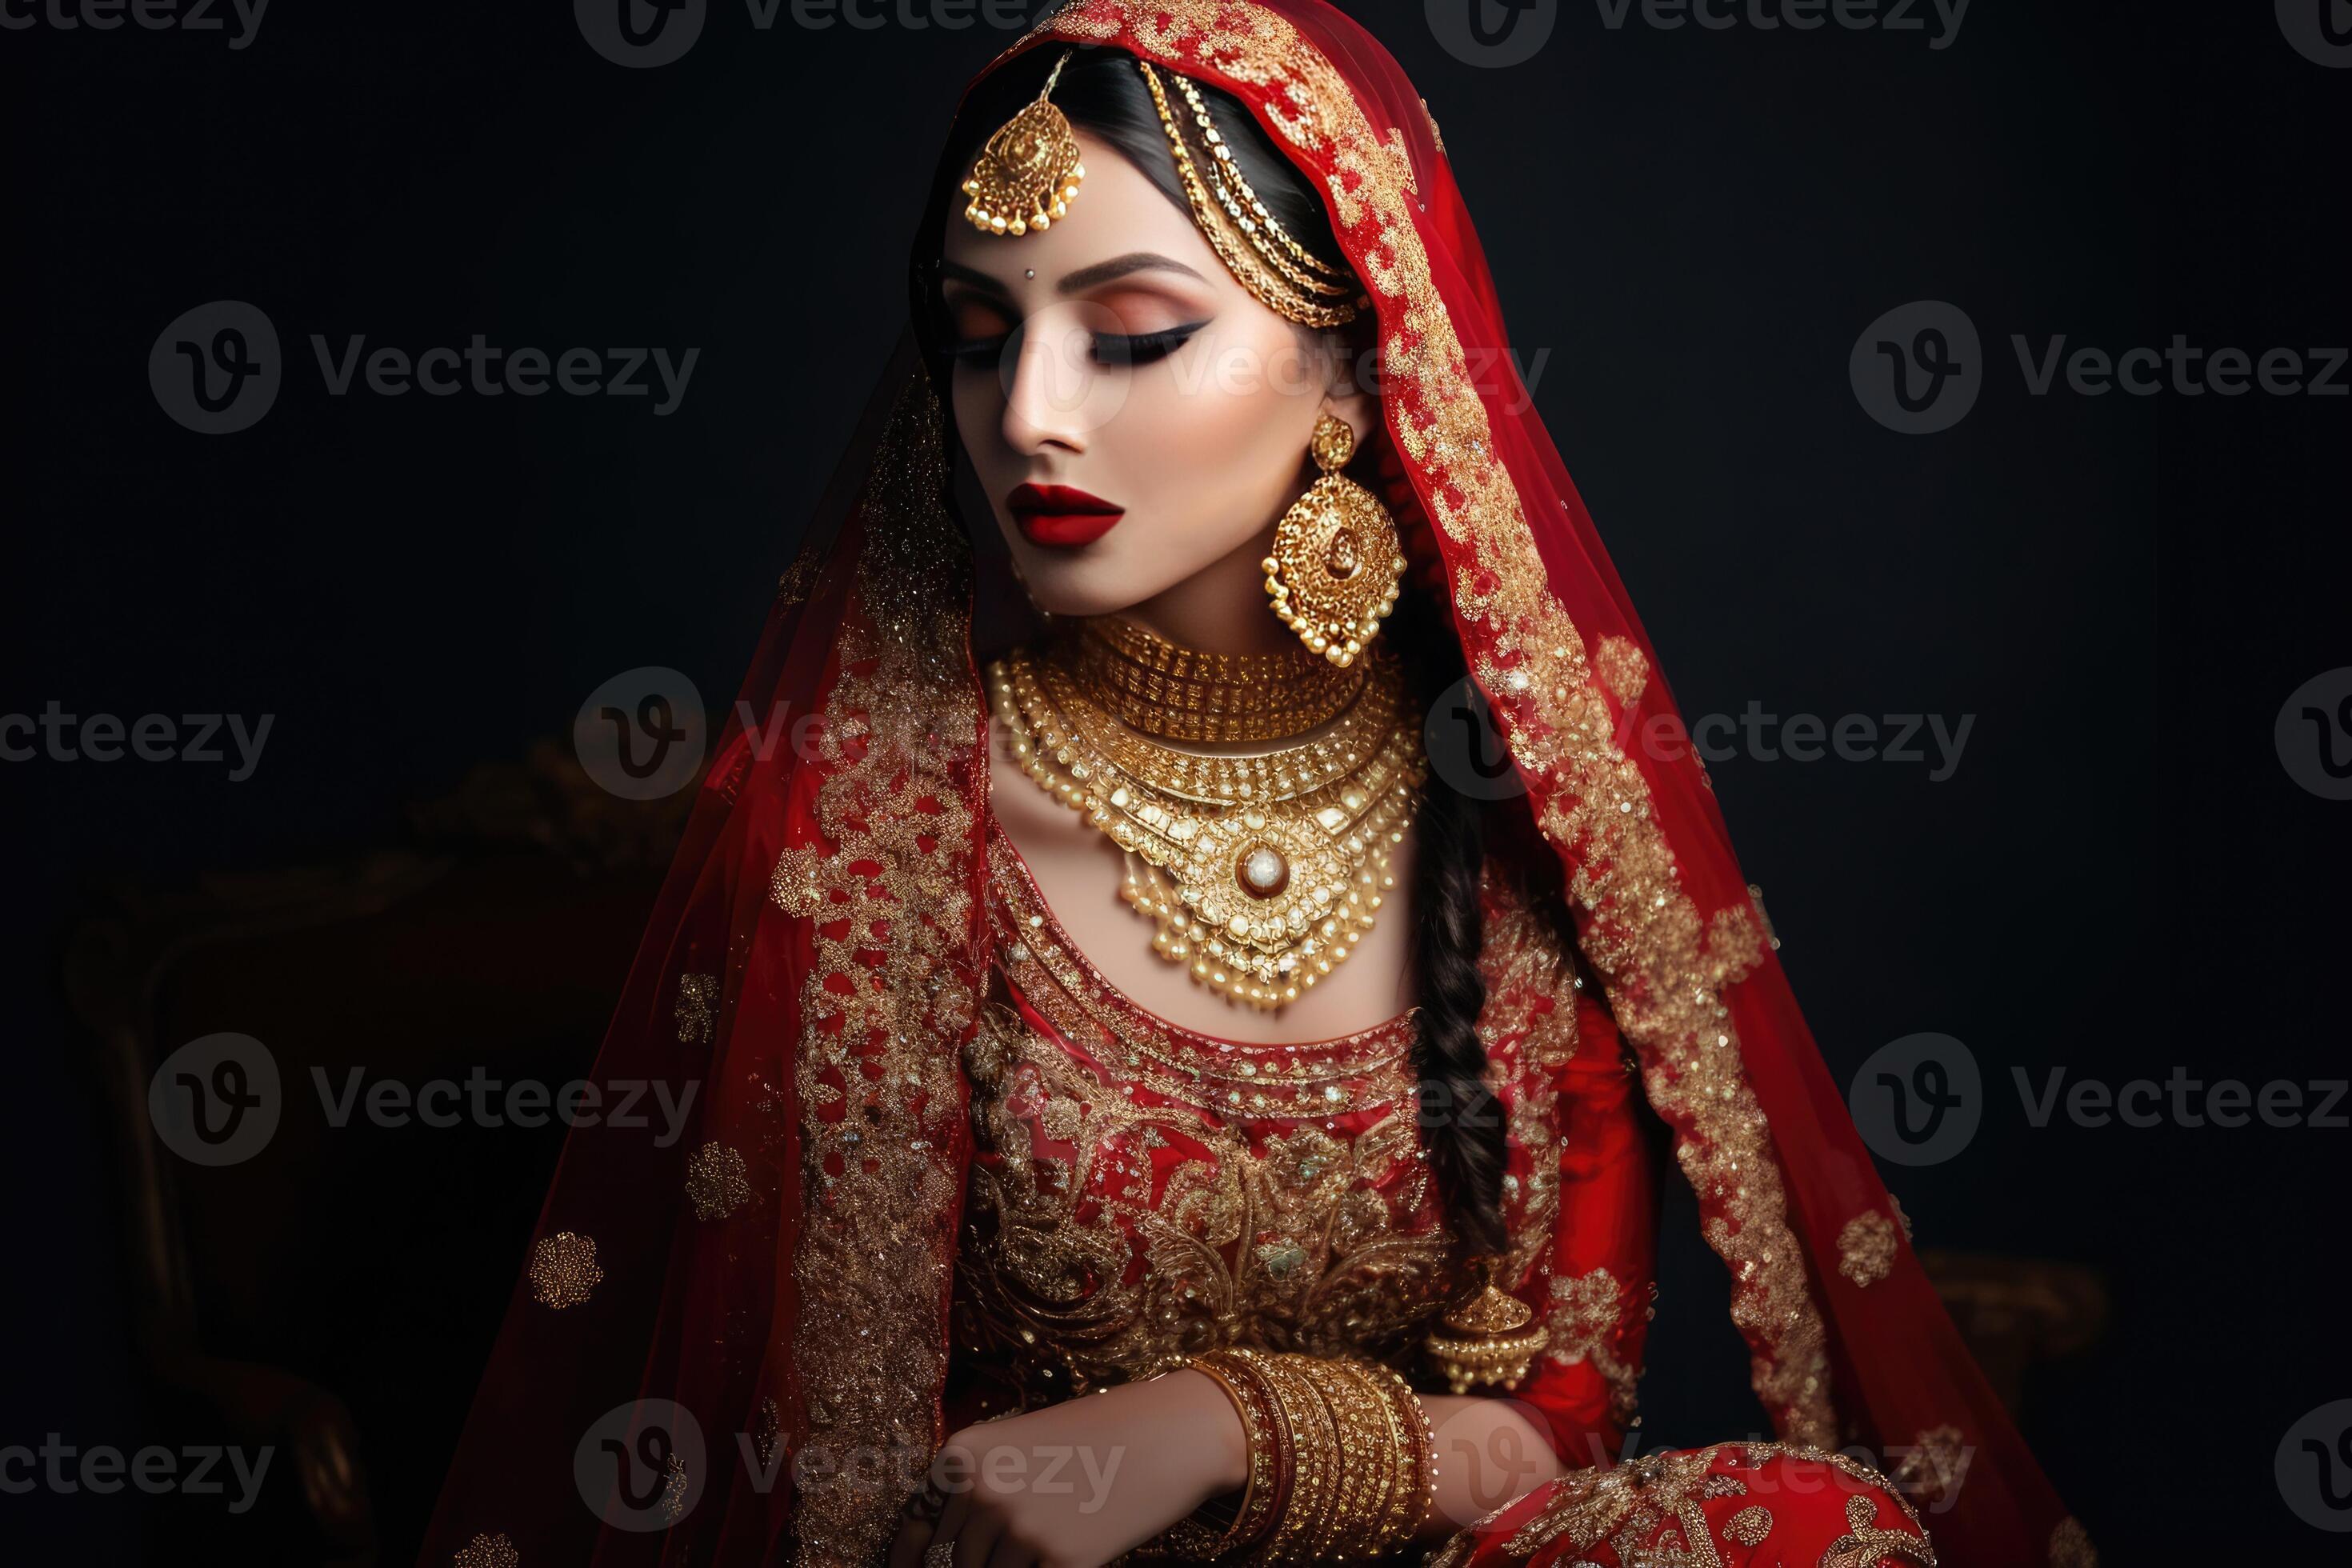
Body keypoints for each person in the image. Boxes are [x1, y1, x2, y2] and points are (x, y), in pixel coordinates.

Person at [423, 5, 2090, 1565]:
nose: (1029, 413)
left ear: (1354, 374)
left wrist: (1216, 1427)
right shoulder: (870, 839)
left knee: (1812, 1527)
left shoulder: (1510, 819)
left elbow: (1561, 1429)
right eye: (978, 336)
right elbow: (815, 1467)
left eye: (1135, 333)